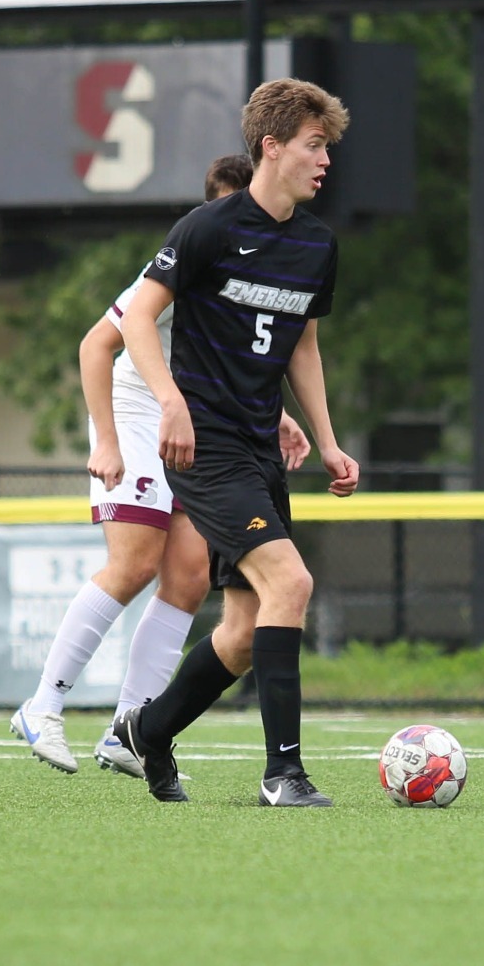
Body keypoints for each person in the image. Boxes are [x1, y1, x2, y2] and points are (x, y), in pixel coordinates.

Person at [7, 154, 313, 778]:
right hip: (141, 411)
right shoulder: (188, 256)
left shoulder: (257, 264)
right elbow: (98, 344)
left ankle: (129, 727)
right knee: (135, 563)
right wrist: (108, 442)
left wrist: (276, 413)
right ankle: (43, 704)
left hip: (201, 423)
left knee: (191, 576)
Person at [112, 79, 360, 807]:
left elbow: (302, 346)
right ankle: (284, 772)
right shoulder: (209, 228)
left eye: (328, 149)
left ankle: (148, 730)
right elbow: (134, 323)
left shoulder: (316, 244)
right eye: (314, 146)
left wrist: (329, 438)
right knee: (293, 584)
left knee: (248, 628)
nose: (324, 161)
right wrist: (170, 403)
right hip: (207, 449)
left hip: (259, 449)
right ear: (270, 146)